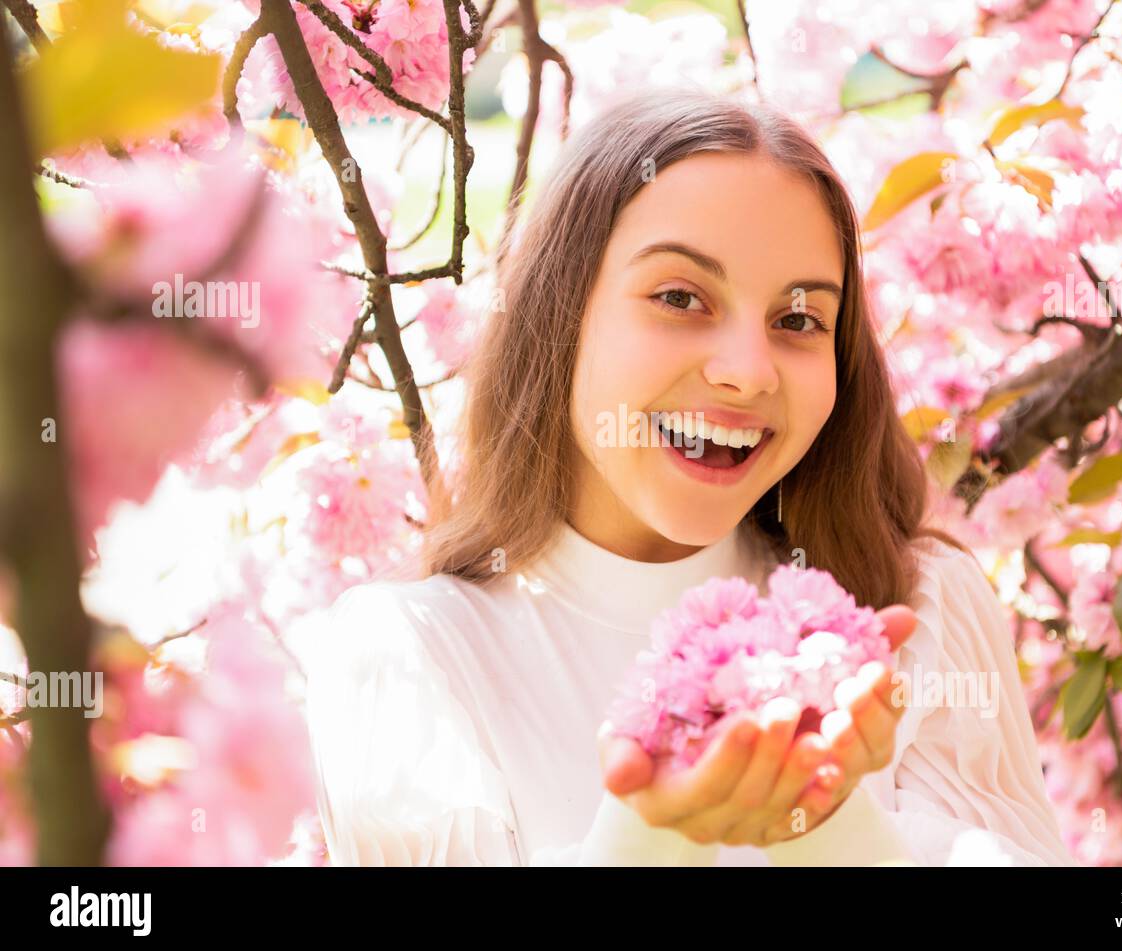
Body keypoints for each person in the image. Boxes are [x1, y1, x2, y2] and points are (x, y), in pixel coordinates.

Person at [305, 86, 1078, 866]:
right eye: (680, 297)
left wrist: (827, 823)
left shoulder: (921, 611)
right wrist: (654, 830)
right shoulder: (407, 659)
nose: (748, 372)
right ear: (559, 315)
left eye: (800, 319)